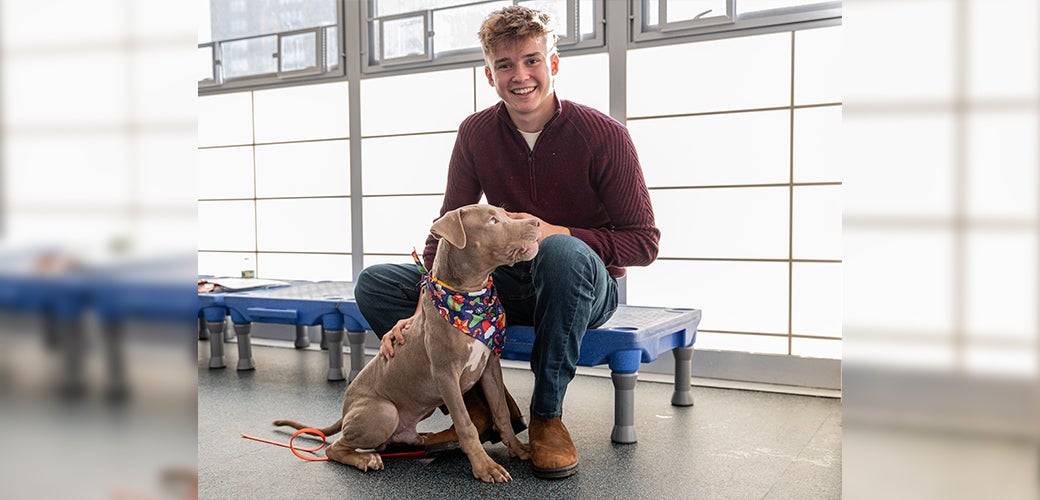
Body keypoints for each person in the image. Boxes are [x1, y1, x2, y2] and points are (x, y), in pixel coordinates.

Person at [353, 5, 659, 479]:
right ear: (489, 74)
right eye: (505, 65)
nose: (521, 76)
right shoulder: (476, 133)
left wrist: (559, 232)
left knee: (561, 254)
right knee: (376, 283)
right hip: (504, 284)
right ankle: (483, 408)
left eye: (532, 61)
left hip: (580, 288)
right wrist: (421, 307)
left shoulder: (605, 135)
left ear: (553, 64)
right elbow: (446, 228)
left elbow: (643, 244)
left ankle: (546, 416)